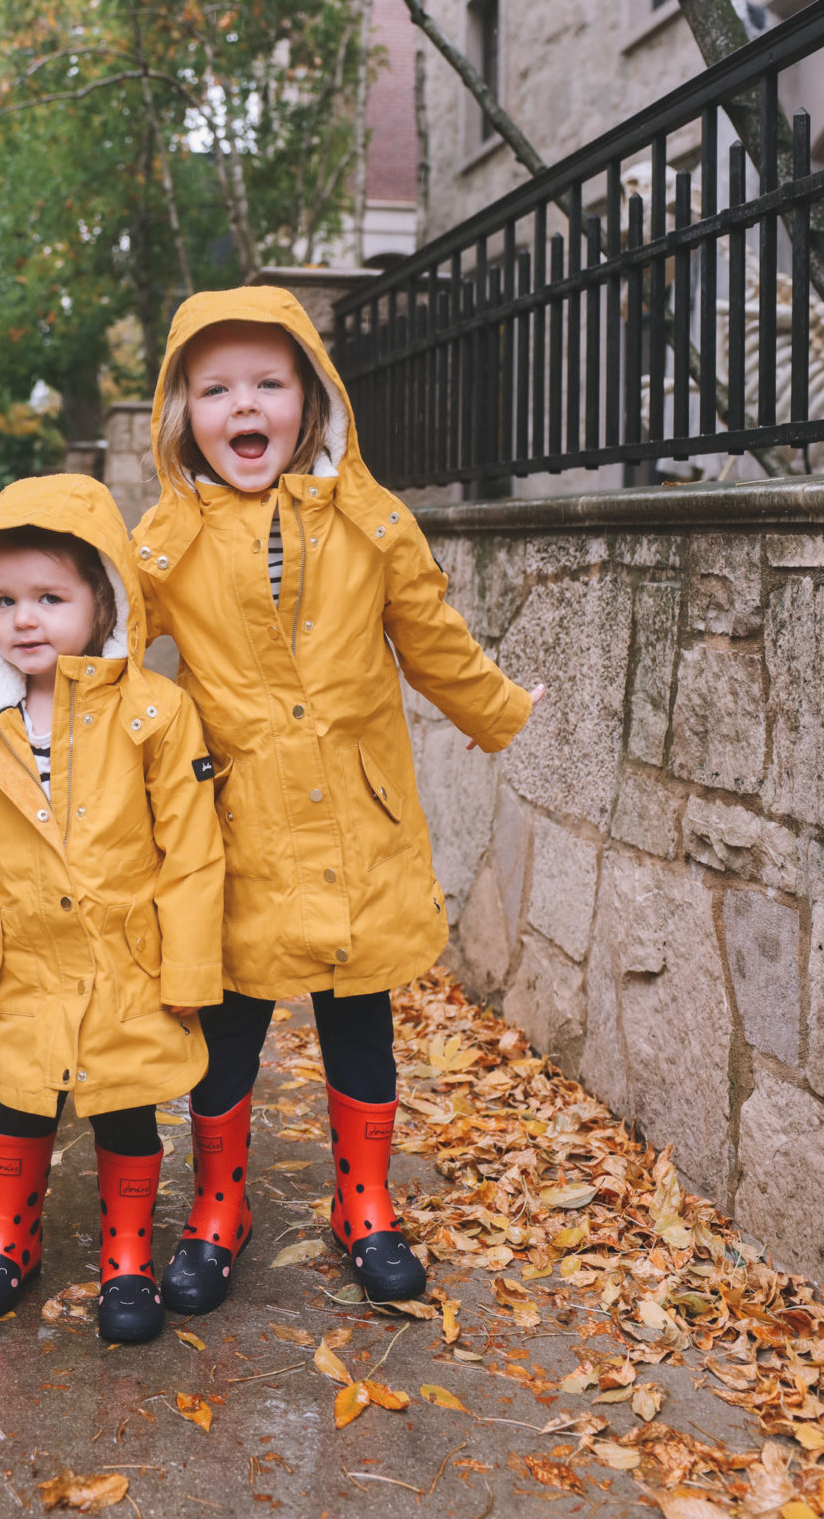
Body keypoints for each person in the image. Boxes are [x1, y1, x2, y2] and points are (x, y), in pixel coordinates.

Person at [135, 287, 544, 1316]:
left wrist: (501, 710)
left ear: (311, 404)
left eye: (270, 382)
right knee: (225, 1023)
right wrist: (6, 685)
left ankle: (365, 1202)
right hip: (236, 826)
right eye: (218, 385)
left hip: (358, 823)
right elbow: (103, 636)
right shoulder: (169, 531)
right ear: (182, 410)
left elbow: (430, 633)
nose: (246, 405)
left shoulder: (372, 518)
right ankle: (216, 1208)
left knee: (358, 1012)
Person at [0, 475, 225, 1344]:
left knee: (124, 1099)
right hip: (28, 957)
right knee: (19, 1095)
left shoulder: (154, 714)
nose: (25, 620)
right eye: (3, 601)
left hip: (129, 958)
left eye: (50, 597)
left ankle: (127, 1252)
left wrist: (191, 968)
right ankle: (11, 1235)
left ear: (104, 599)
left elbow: (192, 853)